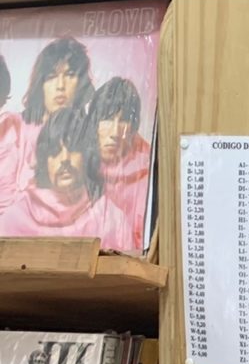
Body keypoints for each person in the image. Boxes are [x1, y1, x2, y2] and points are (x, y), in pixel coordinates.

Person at [0, 107, 132, 251]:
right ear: (44, 160)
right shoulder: (15, 218)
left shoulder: (110, 219)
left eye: (73, 149)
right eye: (55, 151)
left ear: (87, 155)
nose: (64, 159)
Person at [0, 37, 94, 213]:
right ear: (40, 84)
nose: (60, 86)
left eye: (70, 75)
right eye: (51, 77)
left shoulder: (92, 132)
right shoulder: (15, 129)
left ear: (81, 83)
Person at [88, 77, 153, 251]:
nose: (115, 132)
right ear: (94, 122)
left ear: (133, 127)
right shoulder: (76, 163)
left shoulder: (149, 177)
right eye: (108, 118)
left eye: (124, 120)